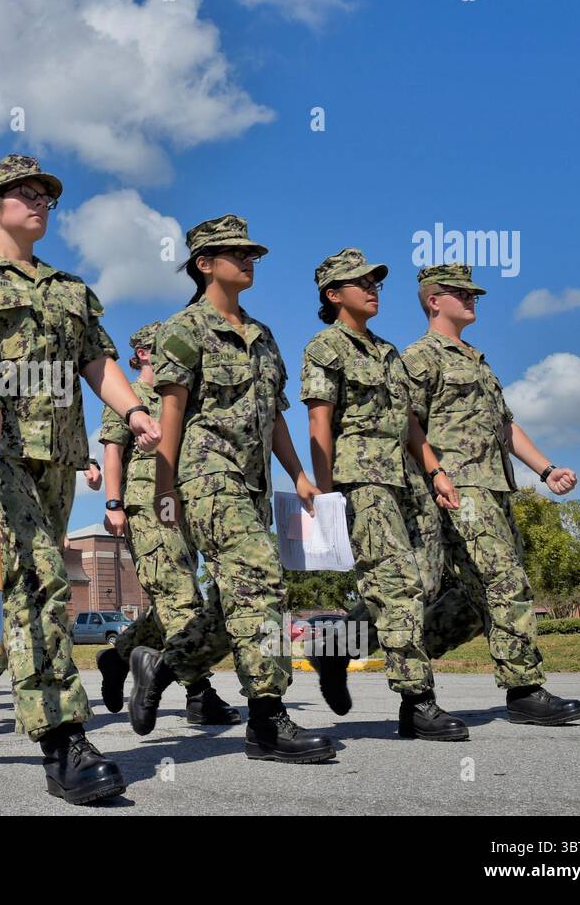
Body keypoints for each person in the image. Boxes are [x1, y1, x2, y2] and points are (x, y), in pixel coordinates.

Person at [0, 154, 161, 804]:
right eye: (22, 193)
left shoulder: (70, 289)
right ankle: (64, 740)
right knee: (37, 582)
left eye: (45, 194)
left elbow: (97, 361)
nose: (38, 201)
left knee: (17, 600)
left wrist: (134, 409)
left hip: (53, 460)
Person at [314, 264, 580, 725]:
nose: (470, 298)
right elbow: (405, 424)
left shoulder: (476, 358)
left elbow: (502, 424)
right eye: (459, 292)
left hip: (494, 485)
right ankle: (523, 688)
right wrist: (435, 475)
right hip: (456, 489)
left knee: (459, 598)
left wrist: (546, 468)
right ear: (433, 301)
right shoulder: (419, 358)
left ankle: (340, 646)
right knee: (501, 581)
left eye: (473, 292)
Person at [150, 214, 333, 762]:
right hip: (207, 474)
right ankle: (267, 719)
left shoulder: (262, 335)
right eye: (237, 253)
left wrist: (299, 474)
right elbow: (172, 414)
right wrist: (166, 487)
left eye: (252, 252)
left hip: (256, 481)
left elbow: (275, 416)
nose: (249, 259)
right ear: (204, 264)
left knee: (235, 600)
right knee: (261, 576)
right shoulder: (183, 329)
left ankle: (164, 663)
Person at [300, 248, 468, 741]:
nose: (373, 288)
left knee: (430, 584)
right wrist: (328, 495)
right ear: (334, 295)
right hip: (364, 480)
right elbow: (319, 422)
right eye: (361, 282)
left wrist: (434, 469)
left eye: (376, 281)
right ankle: (417, 701)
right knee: (396, 589)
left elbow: (411, 422)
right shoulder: (325, 347)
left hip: (409, 480)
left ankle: (334, 644)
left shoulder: (389, 351)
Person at [97, 320, 240, 728]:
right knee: (178, 594)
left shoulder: (181, 397)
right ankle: (199, 693)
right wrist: (114, 503)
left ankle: (119, 655)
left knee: (172, 602)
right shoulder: (131, 396)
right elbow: (112, 451)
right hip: (145, 501)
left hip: (184, 500)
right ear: (143, 353)